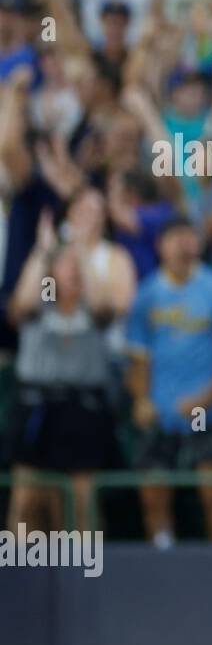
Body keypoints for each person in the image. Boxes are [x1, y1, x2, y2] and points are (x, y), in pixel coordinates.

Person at [126, 216, 212, 547]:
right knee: (153, 493)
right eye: (174, 238)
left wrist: (208, 398)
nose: (182, 246)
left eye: (188, 238)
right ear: (160, 246)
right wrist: (141, 400)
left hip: (206, 412)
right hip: (161, 412)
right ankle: (162, 559)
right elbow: (139, 357)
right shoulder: (147, 295)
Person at [6, 210, 121, 531]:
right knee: (27, 502)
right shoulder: (40, 303)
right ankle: (19, 575)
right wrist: (43, 252)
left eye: (78, 265)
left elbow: (103, 307)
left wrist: (82, 250)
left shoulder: (93, 307)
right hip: (37, 405)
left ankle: (84, 576)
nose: (74, 270)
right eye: (66, 263)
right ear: (51, 271)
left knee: (81, 502)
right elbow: (21, 305)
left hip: (83, 407)